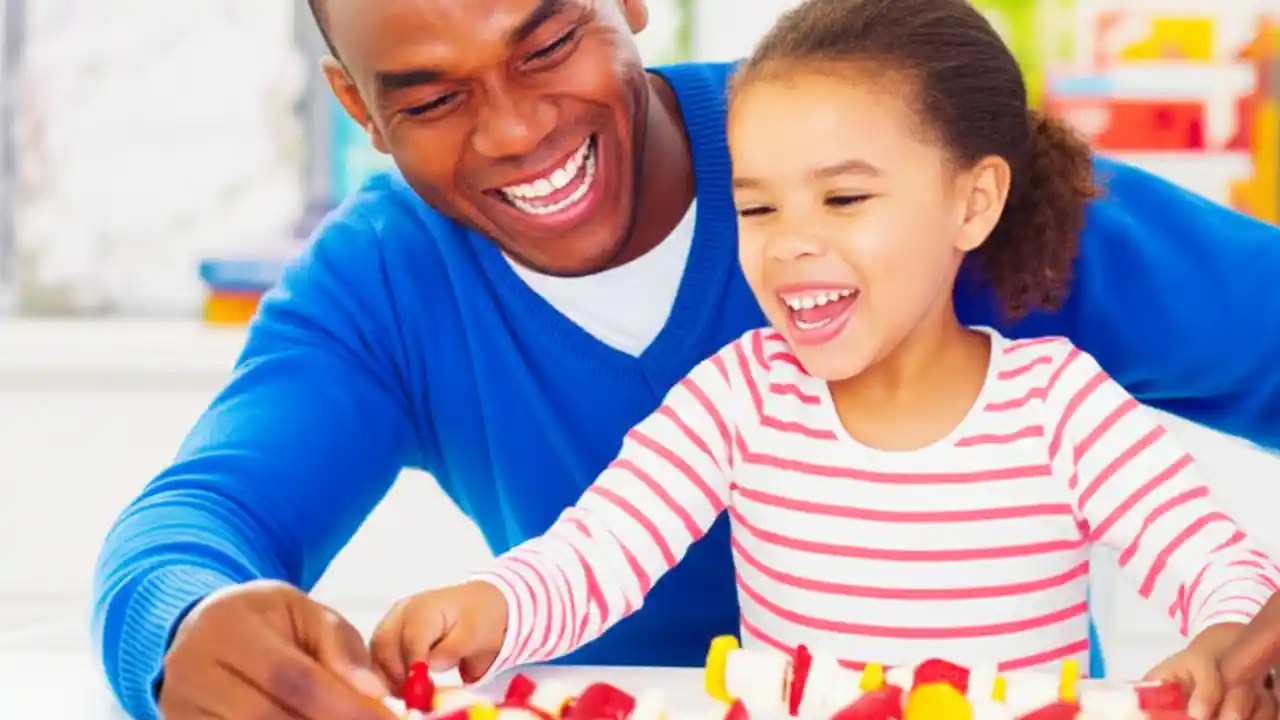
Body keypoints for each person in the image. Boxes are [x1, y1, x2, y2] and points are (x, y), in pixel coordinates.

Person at [88, 0, 1280, 717]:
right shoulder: (384, 282)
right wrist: (183, 627)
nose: (515, 128)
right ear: (355, 107)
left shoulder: (888, 154)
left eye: (547, 39)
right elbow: (192, 526)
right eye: (433, 96)